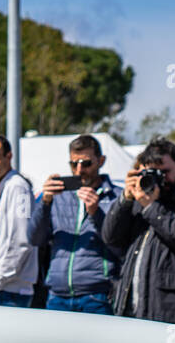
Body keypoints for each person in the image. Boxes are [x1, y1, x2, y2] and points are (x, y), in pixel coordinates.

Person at [104, 136, 175, 325]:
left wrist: (151, 207)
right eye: (153, 172)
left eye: (165, 172)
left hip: (170, 312)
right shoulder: (141, 196)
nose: (160, 179)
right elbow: (110, 237)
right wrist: (125, 199)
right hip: (130, 308)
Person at [27, 134, 121, 313]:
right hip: (57, 295)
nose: (79, 170)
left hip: (97, 295)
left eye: (86, 163)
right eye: (73, 164)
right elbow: (34, 238)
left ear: (101, 161)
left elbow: (119, 245)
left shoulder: (115, 197)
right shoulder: (58, 196)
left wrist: (96, 213)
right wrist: (45, 202)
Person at [0, 135, 37, 307]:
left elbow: (21, 241)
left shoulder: (18, 187)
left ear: (8, 156)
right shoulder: (6, 188)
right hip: (2, 291)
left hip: (8, 293)